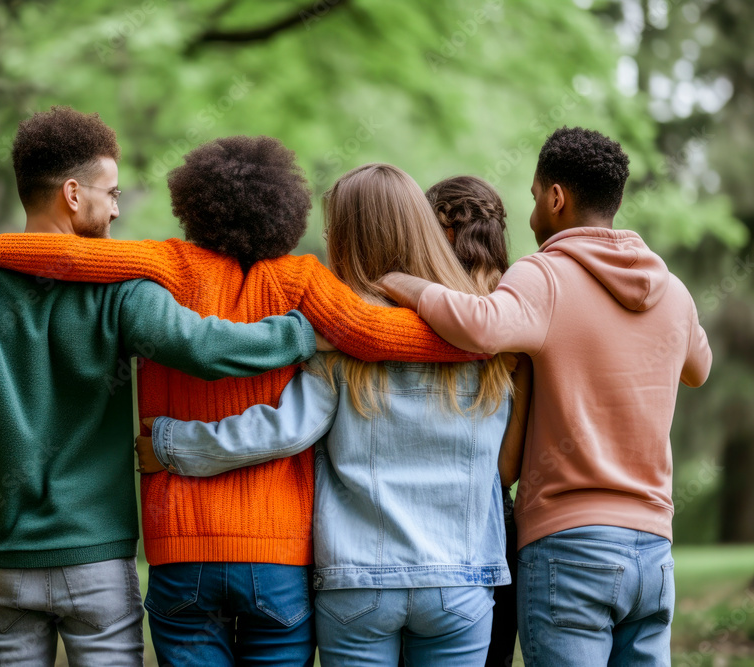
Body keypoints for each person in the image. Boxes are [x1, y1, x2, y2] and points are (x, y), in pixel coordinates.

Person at [0, 108, 322, 667]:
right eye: (112, 193)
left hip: (6, 564)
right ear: (73, 195)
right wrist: (302, 332)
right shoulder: (120, 288)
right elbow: (205, 347)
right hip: (97, 564)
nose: (117, 208)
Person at [0, 139, 485, 666]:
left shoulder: (166, 265)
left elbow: (69, 255)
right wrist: (482, 340)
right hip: (277, 553)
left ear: (193, 205)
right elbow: (378, 333)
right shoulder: (304, 280)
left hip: (181, 548)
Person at [132, 163, 527, 666]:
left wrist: (173, 444)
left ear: (346, 240)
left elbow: (282, 430)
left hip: (357, 581)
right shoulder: (487, 333)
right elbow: (505, 458)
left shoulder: (341, 337)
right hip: (460, 577)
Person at [379, 127, 713, 666]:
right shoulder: (672, 290)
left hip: (569, 545)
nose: (533, 216)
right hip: (654, 549)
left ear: (556, 198)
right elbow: (699, 368)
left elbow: (480, 327)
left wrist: (404, 283)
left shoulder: (545, 274)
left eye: (535, 198)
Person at [424, 175, 529, 667]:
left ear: (443, 230)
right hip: (490, 533)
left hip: (409, 529)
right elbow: (506, 469)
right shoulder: (521, 315)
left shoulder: (414, 309)